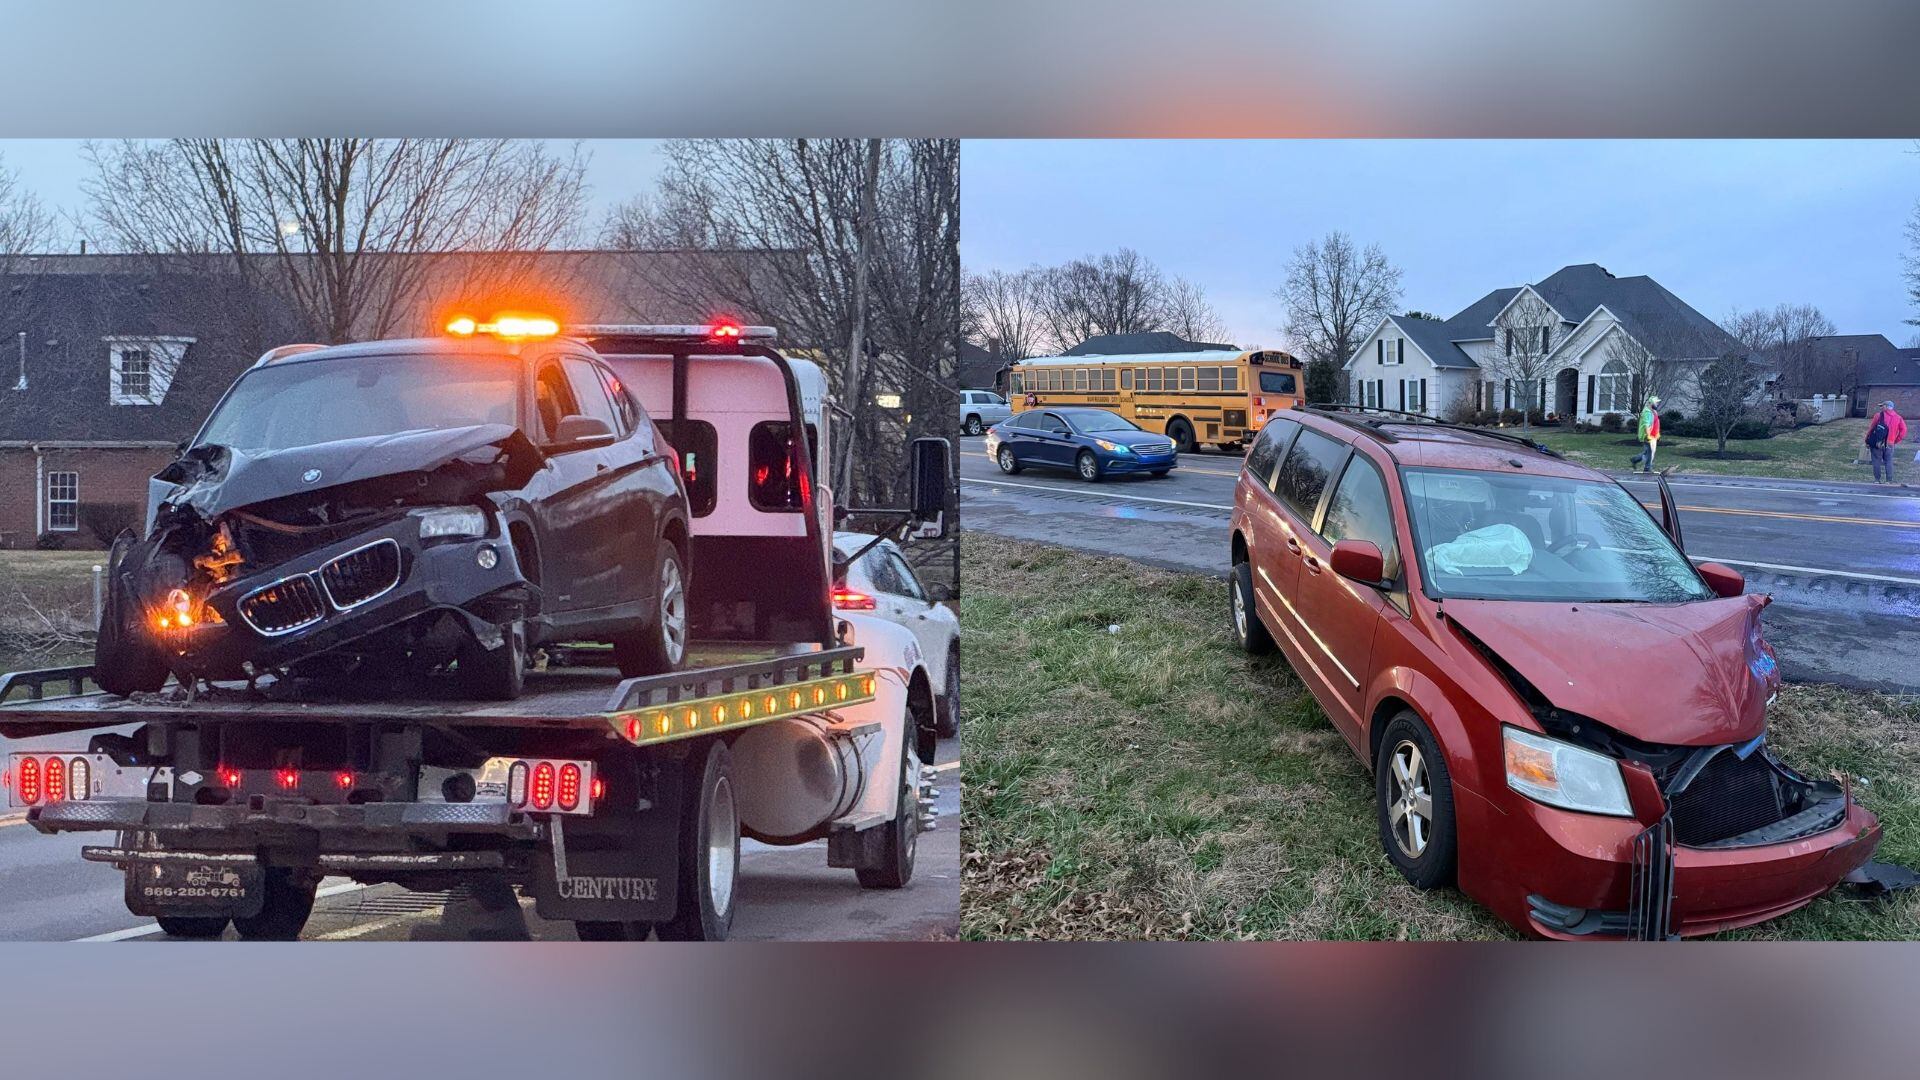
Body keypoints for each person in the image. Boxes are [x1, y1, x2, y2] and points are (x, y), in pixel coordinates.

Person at [1865, 399, 1908, 484]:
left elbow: (1872, 428)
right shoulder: (1898, 417)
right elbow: (1904, 430)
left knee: (1876, 461)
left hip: (1878, 443)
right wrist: (1896, 440)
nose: (1881, 407)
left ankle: (1877, 480)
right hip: (1890, 443)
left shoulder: (1878, 415)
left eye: (1882, 406)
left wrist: (1867, 439)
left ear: (1886, 407)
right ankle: (1889, 480)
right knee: (1888, 461)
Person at [1629, 395, 1662, 473]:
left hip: (1653, 435)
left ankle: (1635, 459)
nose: (1657, 404)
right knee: (1650, 452)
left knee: (1648, 452)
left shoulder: (1654, 412)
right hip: (1647, 435)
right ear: (1651, 403)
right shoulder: (1646, 412)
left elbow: (1656, 423)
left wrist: (1657, 434)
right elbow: (1646, 425)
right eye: (1656, 403)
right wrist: (1648, 435)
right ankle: (1647, 468)